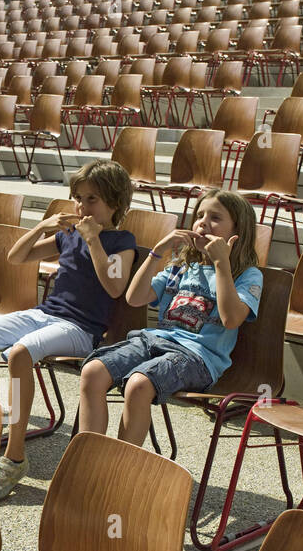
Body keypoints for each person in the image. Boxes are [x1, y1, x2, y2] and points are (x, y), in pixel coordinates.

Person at [0, 161, 136, 498]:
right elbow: (16, 257)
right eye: (78, 198)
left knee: (20, 353)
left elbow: (114, 287)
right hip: (44, 314)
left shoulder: (121, 241)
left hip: (82, 329)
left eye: (92, 199)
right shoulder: (68, 235)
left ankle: (15, 456)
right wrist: (42, 227)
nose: (81, 207)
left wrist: (94, 241)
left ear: (115, 202)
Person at [78, 189, 263, 447]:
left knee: (138, 384)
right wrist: (157, 252)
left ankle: (119, 469)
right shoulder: (182, 265)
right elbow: (135, 297)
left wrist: (221, 263)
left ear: (237, 230)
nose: (203, 223)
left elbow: (231, 319)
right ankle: (88, 457)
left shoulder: (248, 275)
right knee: (93, 372)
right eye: (199, 215)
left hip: (198, 356)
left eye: (215, 217)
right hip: (153, 341)